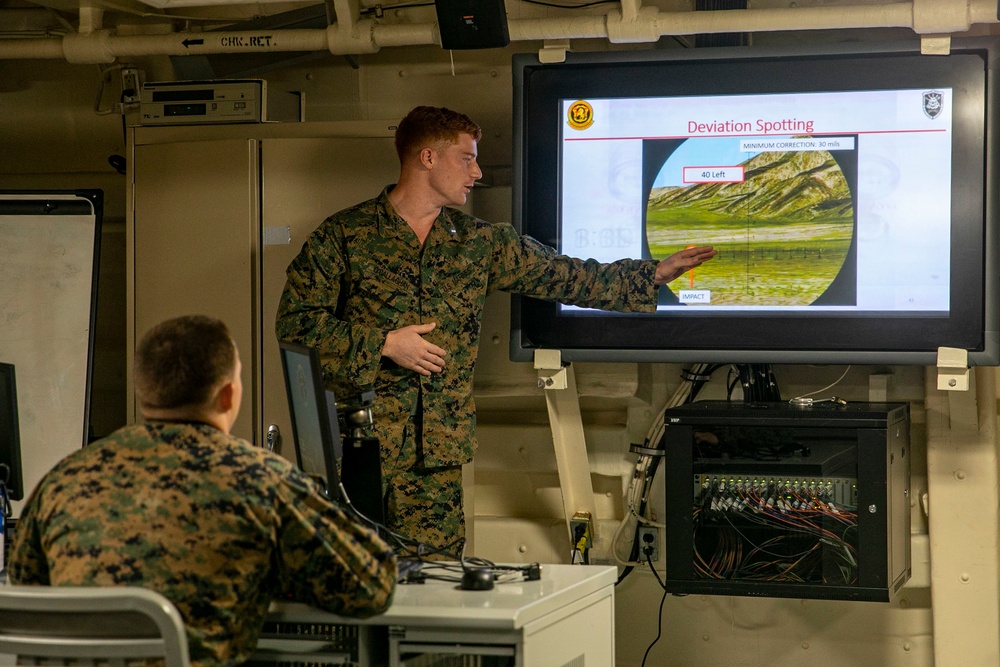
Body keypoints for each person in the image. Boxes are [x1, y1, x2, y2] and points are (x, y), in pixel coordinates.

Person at [276, 105, 717, 557]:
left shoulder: (481, 244)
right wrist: (385, 344)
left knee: (437, 587)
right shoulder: (344, 237)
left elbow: (568, 275)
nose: (478, 172)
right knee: (351, 583)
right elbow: (295, 326)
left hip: (437, 467)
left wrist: (653, 275)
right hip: (358, 455)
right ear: (428, 158)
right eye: (466, 158)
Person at [8, 315, 397, 667]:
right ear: (228, 395)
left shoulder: (64, 479)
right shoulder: (263, 479)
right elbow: (371, 585)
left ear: (144, 391)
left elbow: (28, 595)